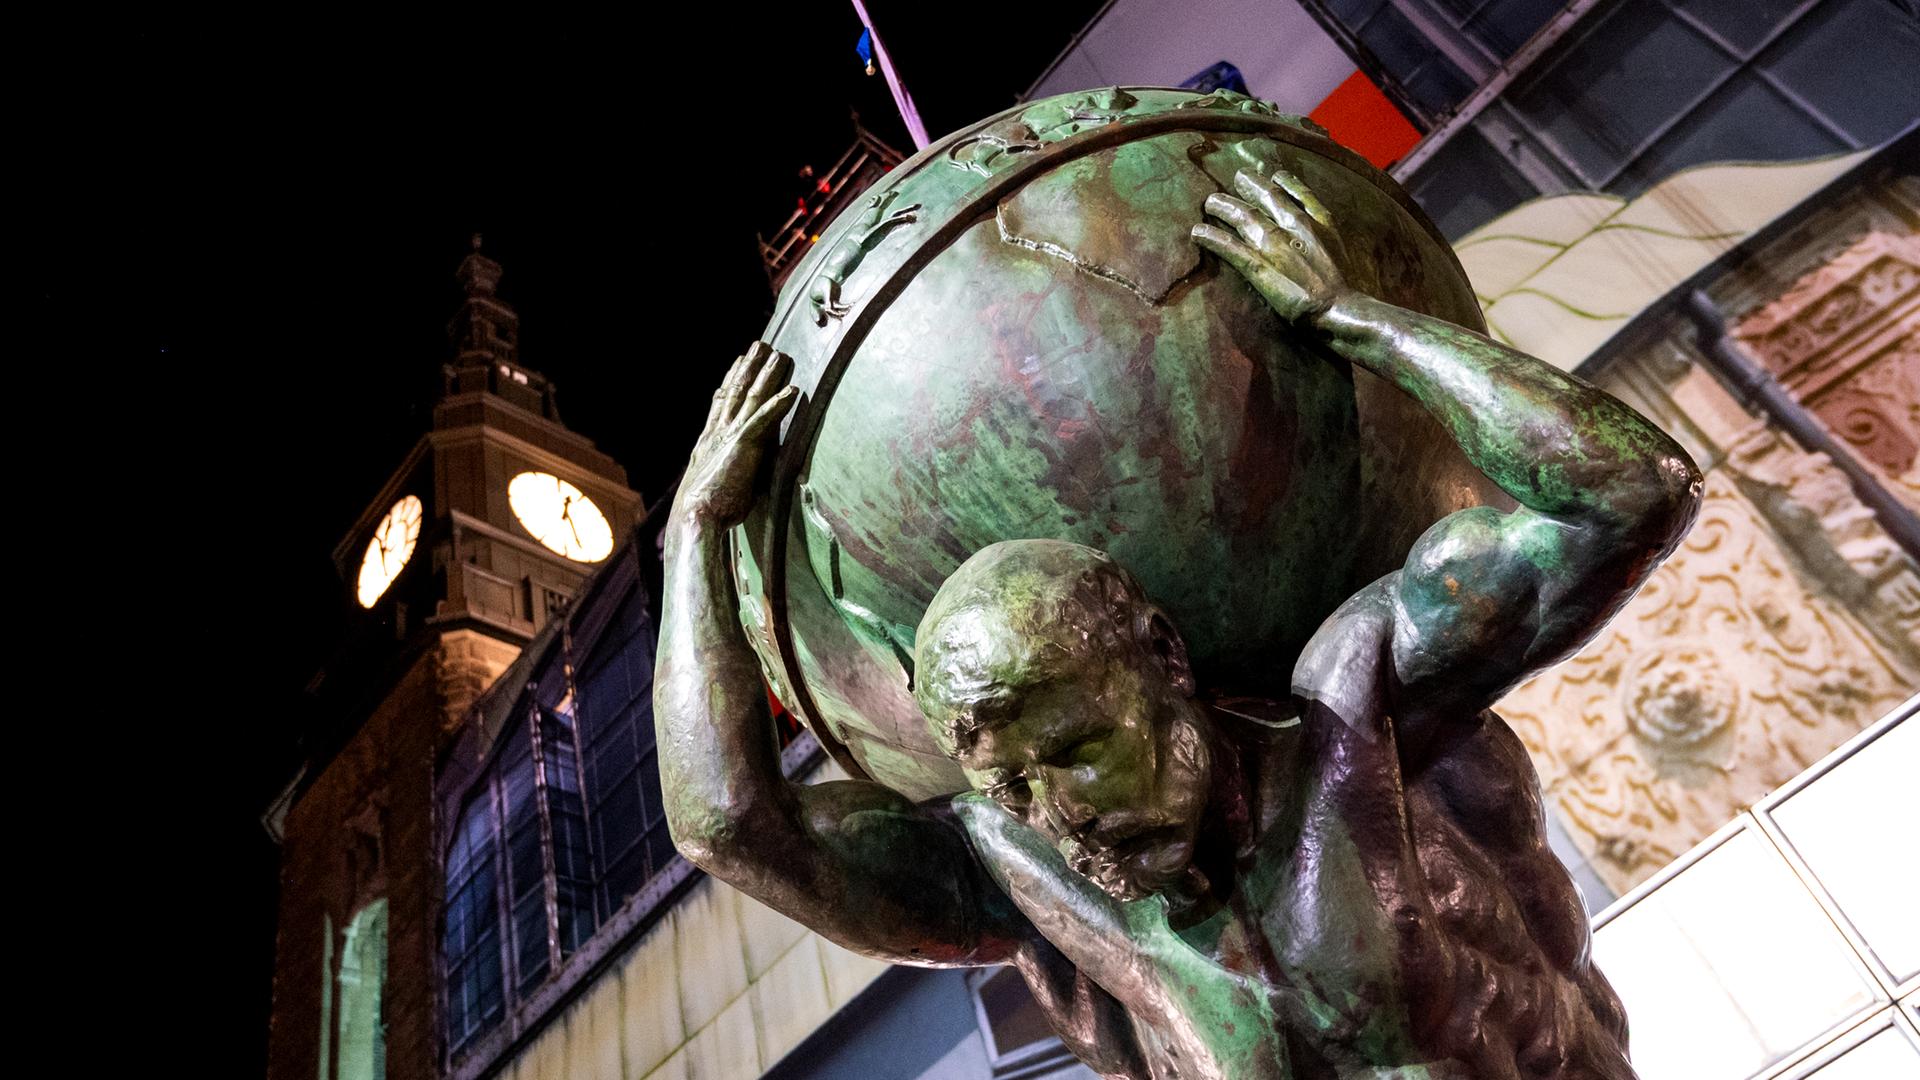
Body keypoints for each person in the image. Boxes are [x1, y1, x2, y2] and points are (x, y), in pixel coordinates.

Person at [654, 167, 1700, 1079]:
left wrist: (1357, 318)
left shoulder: (1359, 706)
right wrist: (694, 535)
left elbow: (1629, 491)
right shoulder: (1030, 882)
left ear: (1161, 656)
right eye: (1014, 785)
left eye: (1075, 748)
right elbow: (729, 826)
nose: (1060, 812)